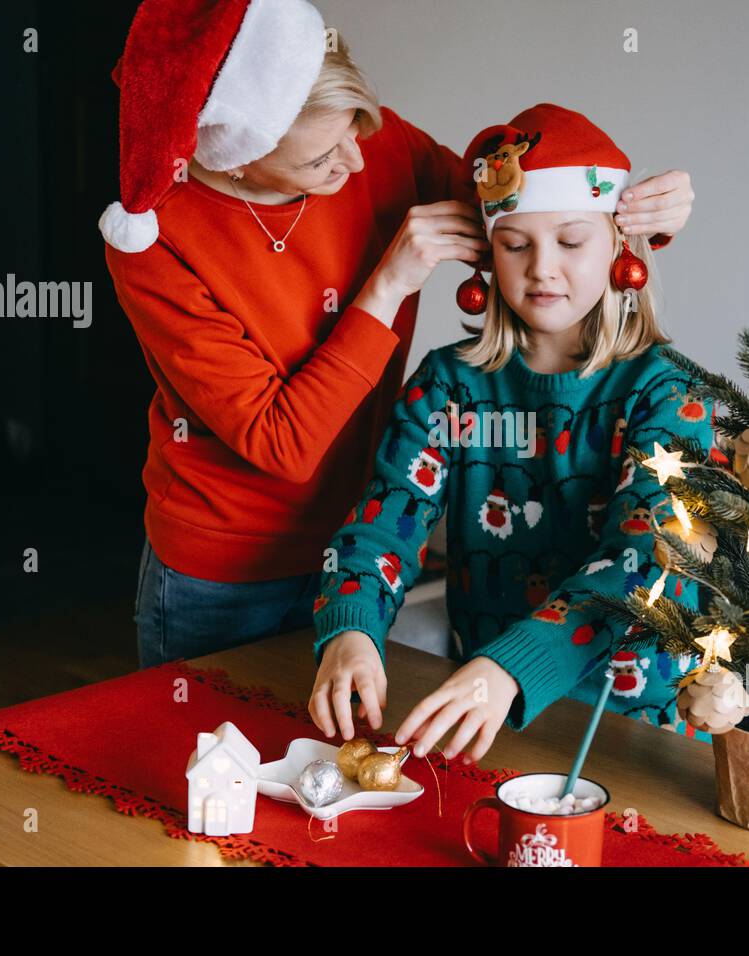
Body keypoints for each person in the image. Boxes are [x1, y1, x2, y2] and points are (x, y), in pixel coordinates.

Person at [100, 0, 697, 669]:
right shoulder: (155, 242)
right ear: (238, 159)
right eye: (324, 157)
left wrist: (640, 219)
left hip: (357, 551)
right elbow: (283, 444)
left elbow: (522, 219)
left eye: (360, 125)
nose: (359, 161)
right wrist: (386, 285)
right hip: (223, 573)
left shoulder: (373, 146)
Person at [308, 104, 715, 765]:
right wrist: (351, 631)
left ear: (618, 242)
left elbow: (648, 564)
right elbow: (382, 527)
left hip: (642, 735)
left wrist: (510, 669)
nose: (542, 270)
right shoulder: (448, 384)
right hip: (491, 726)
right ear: (487, 255)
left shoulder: (671, 393)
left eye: (571, 241)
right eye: (516, 244)